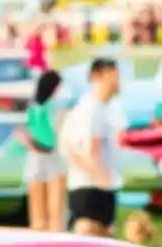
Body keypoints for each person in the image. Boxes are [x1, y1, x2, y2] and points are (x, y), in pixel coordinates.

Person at [59, 58, 122, 237]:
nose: (118, 83)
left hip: (91, 187)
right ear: (98, 77)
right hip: (91, 190)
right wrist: (105, 182)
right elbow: (88, 153)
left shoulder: (98, 109)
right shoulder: (91, 111)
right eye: (114, 77)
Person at [19, 70, 65, 233]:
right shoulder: (54, 109)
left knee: (40, 217)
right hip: (53, 161)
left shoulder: (33, 108)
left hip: (38, 160)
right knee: (55, 215)